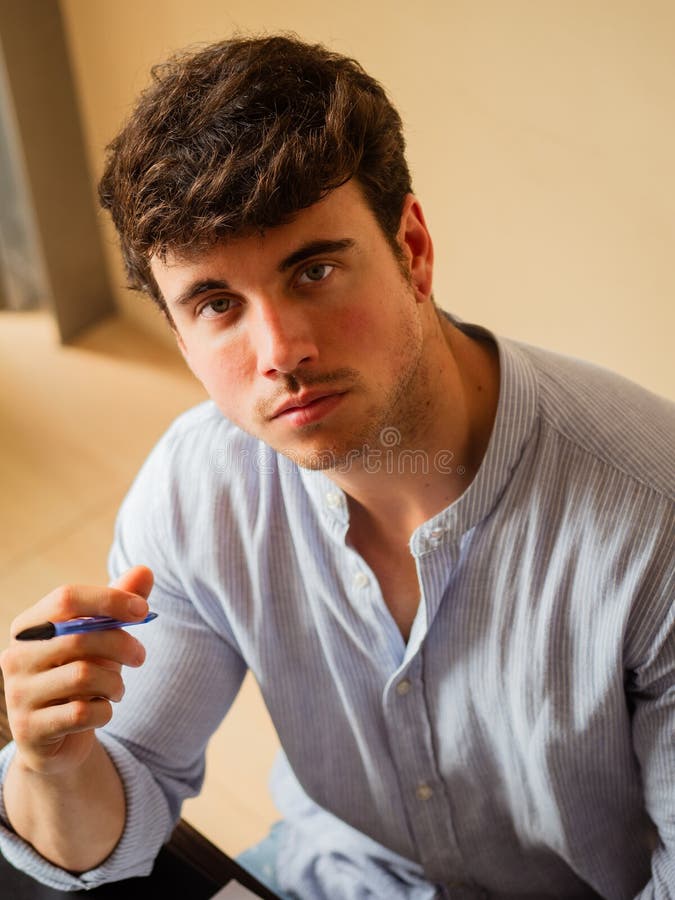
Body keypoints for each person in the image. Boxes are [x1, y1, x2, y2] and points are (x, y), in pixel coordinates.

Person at [0, 33, 673, 900]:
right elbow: (110, 835)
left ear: (413, 249)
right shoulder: (197, 491)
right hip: (337, 873)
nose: (280, 351)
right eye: (216, 304)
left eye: (313, 269)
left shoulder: (652, 524)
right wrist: (53, 761)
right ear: (180, 337)